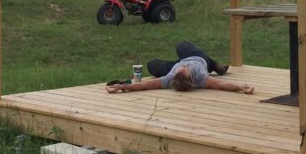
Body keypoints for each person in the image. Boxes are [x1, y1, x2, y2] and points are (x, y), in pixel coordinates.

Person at [106, 41, 253, 95]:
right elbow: (221, 85)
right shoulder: (201, 78)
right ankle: (215, 66)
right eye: (184, 70)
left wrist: (122, 87)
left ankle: (215, 66)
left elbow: (145, 85)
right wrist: (241, 87)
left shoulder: (171, 77)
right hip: (197, 57)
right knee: (181, 45)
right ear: (191, 76)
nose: (182, 68)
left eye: (180, 71)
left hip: (176, 63)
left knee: (151, 65)